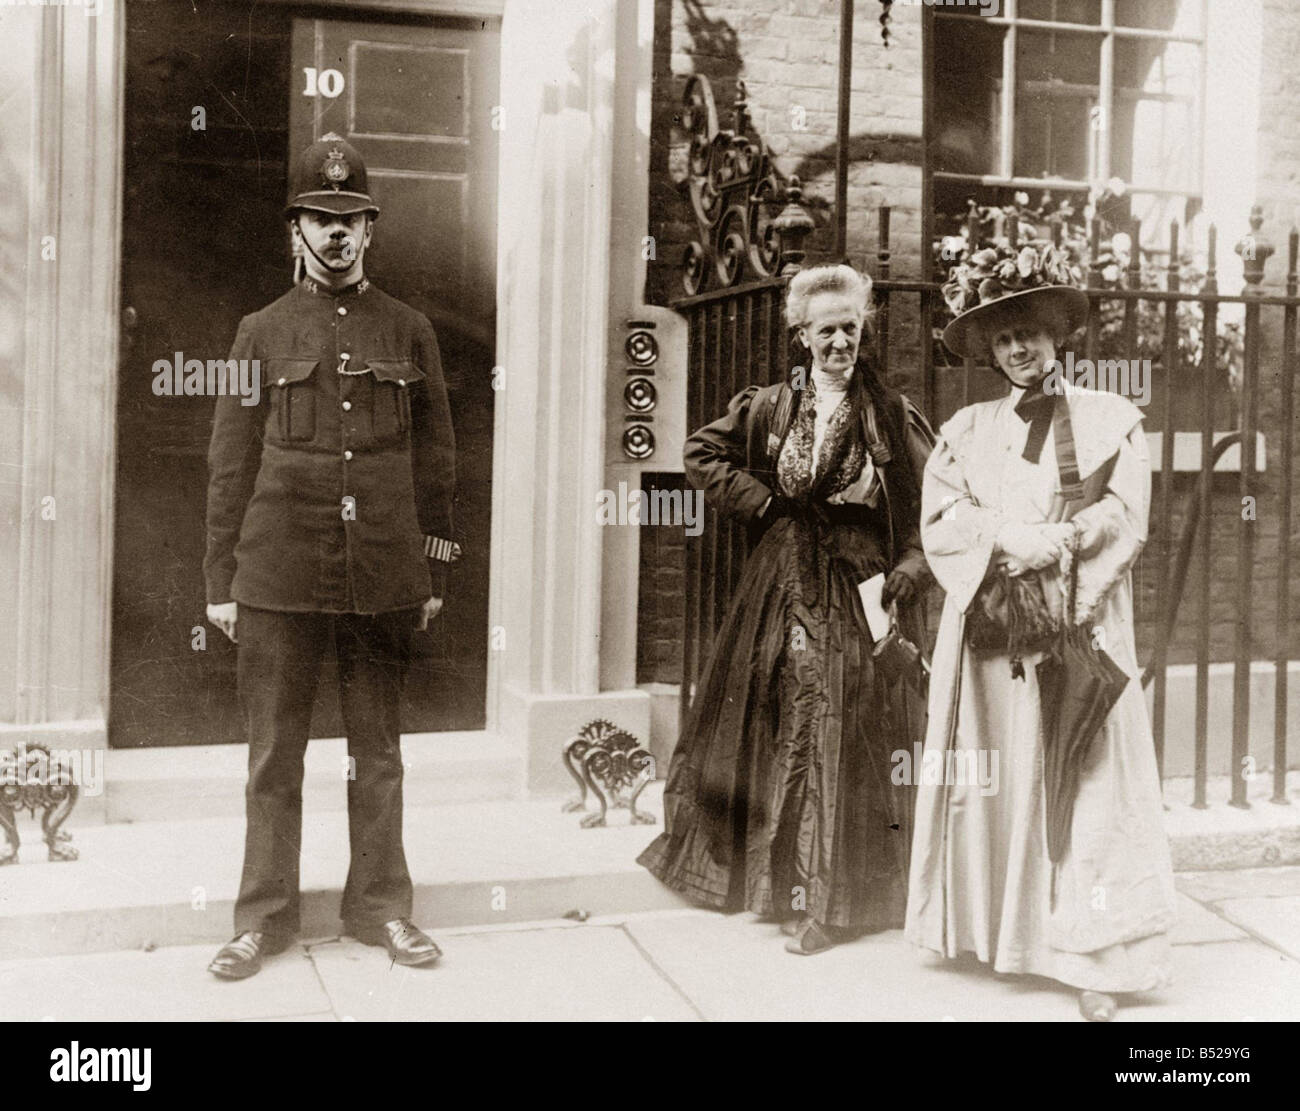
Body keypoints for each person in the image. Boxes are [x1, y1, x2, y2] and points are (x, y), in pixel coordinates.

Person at [203, 133, 460, 979]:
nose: (339, 233)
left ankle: (381, 909)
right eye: (323, 217)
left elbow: (439, 463)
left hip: (382, 576)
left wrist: (434, 569)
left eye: (353, 219)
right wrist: (220, 583)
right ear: (297, 230)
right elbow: (230, 463)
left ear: (371, 231)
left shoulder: (410, 330)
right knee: (274, 755)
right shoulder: (259, 332)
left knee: (377, 751)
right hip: (277, 577)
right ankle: (262, 918)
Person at [905, 258, 1177, 1020]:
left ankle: (1097, 954)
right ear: (990, 352)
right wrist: (1009, 540)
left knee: (1086, 782)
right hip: (994, 627)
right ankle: (1006, 936)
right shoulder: (965, 430)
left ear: (1057, 336)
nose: (1020, 348)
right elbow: (945, 519)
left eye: (1031, 332)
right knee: (998, 772)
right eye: (1004, 338)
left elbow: (1126, 515)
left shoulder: (1110, 418)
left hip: (1074, 625)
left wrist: (1061, 549)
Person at [638, 264, 934, 955]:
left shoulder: (889, 412)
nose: (840, 342)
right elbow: (699, 453)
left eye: (851, 328)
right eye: (827, 329)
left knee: (837, 712)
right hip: (778, 573)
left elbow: (934, 502)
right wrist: (762, 501)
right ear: (801, 334)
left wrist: (912, 567)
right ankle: (772, 883)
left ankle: (831, 897)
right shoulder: (770, 405)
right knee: (775, 709)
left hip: (856, 577)